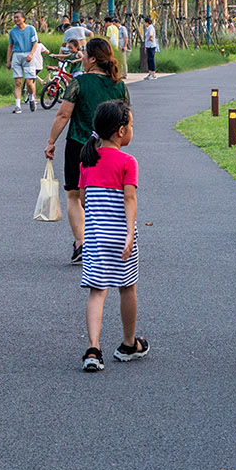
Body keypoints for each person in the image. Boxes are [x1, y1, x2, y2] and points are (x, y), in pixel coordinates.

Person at [44, 37, 130, 266]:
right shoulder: (119, 85)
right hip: (110, 148)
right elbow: (127, 118)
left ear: (92, 59)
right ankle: (110, 242)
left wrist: (51, 141)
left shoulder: (78, 83)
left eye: (83, 55)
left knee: (74, 194)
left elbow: (63, 115)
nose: (81, 58)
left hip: (78, 145)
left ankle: (81, 242)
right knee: (107, 196)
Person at [75, 98, 146, 371]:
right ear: (120, 131)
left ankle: (93, 349)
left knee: (97, 292)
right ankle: (129, 343)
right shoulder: (128, 161)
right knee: (127, 287)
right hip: (121, 237)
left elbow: (82, 200)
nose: (131, 129)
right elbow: (130, 200)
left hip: (94, 237)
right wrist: (129, 235)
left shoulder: (87, 160)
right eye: (130, 125)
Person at [7, 11, 38, 113]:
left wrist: (31, 54)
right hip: (17, 55)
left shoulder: (31, 29)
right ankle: (17, 106)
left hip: (28, 55)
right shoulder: (12, 32)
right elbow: (10, 46)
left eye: (17, 17)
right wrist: (8, 60)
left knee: (29, 83)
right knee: (18, 82)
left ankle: (31, 98)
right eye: (14, 18)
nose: (16, 19)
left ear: (23, 18)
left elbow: (35, 44)